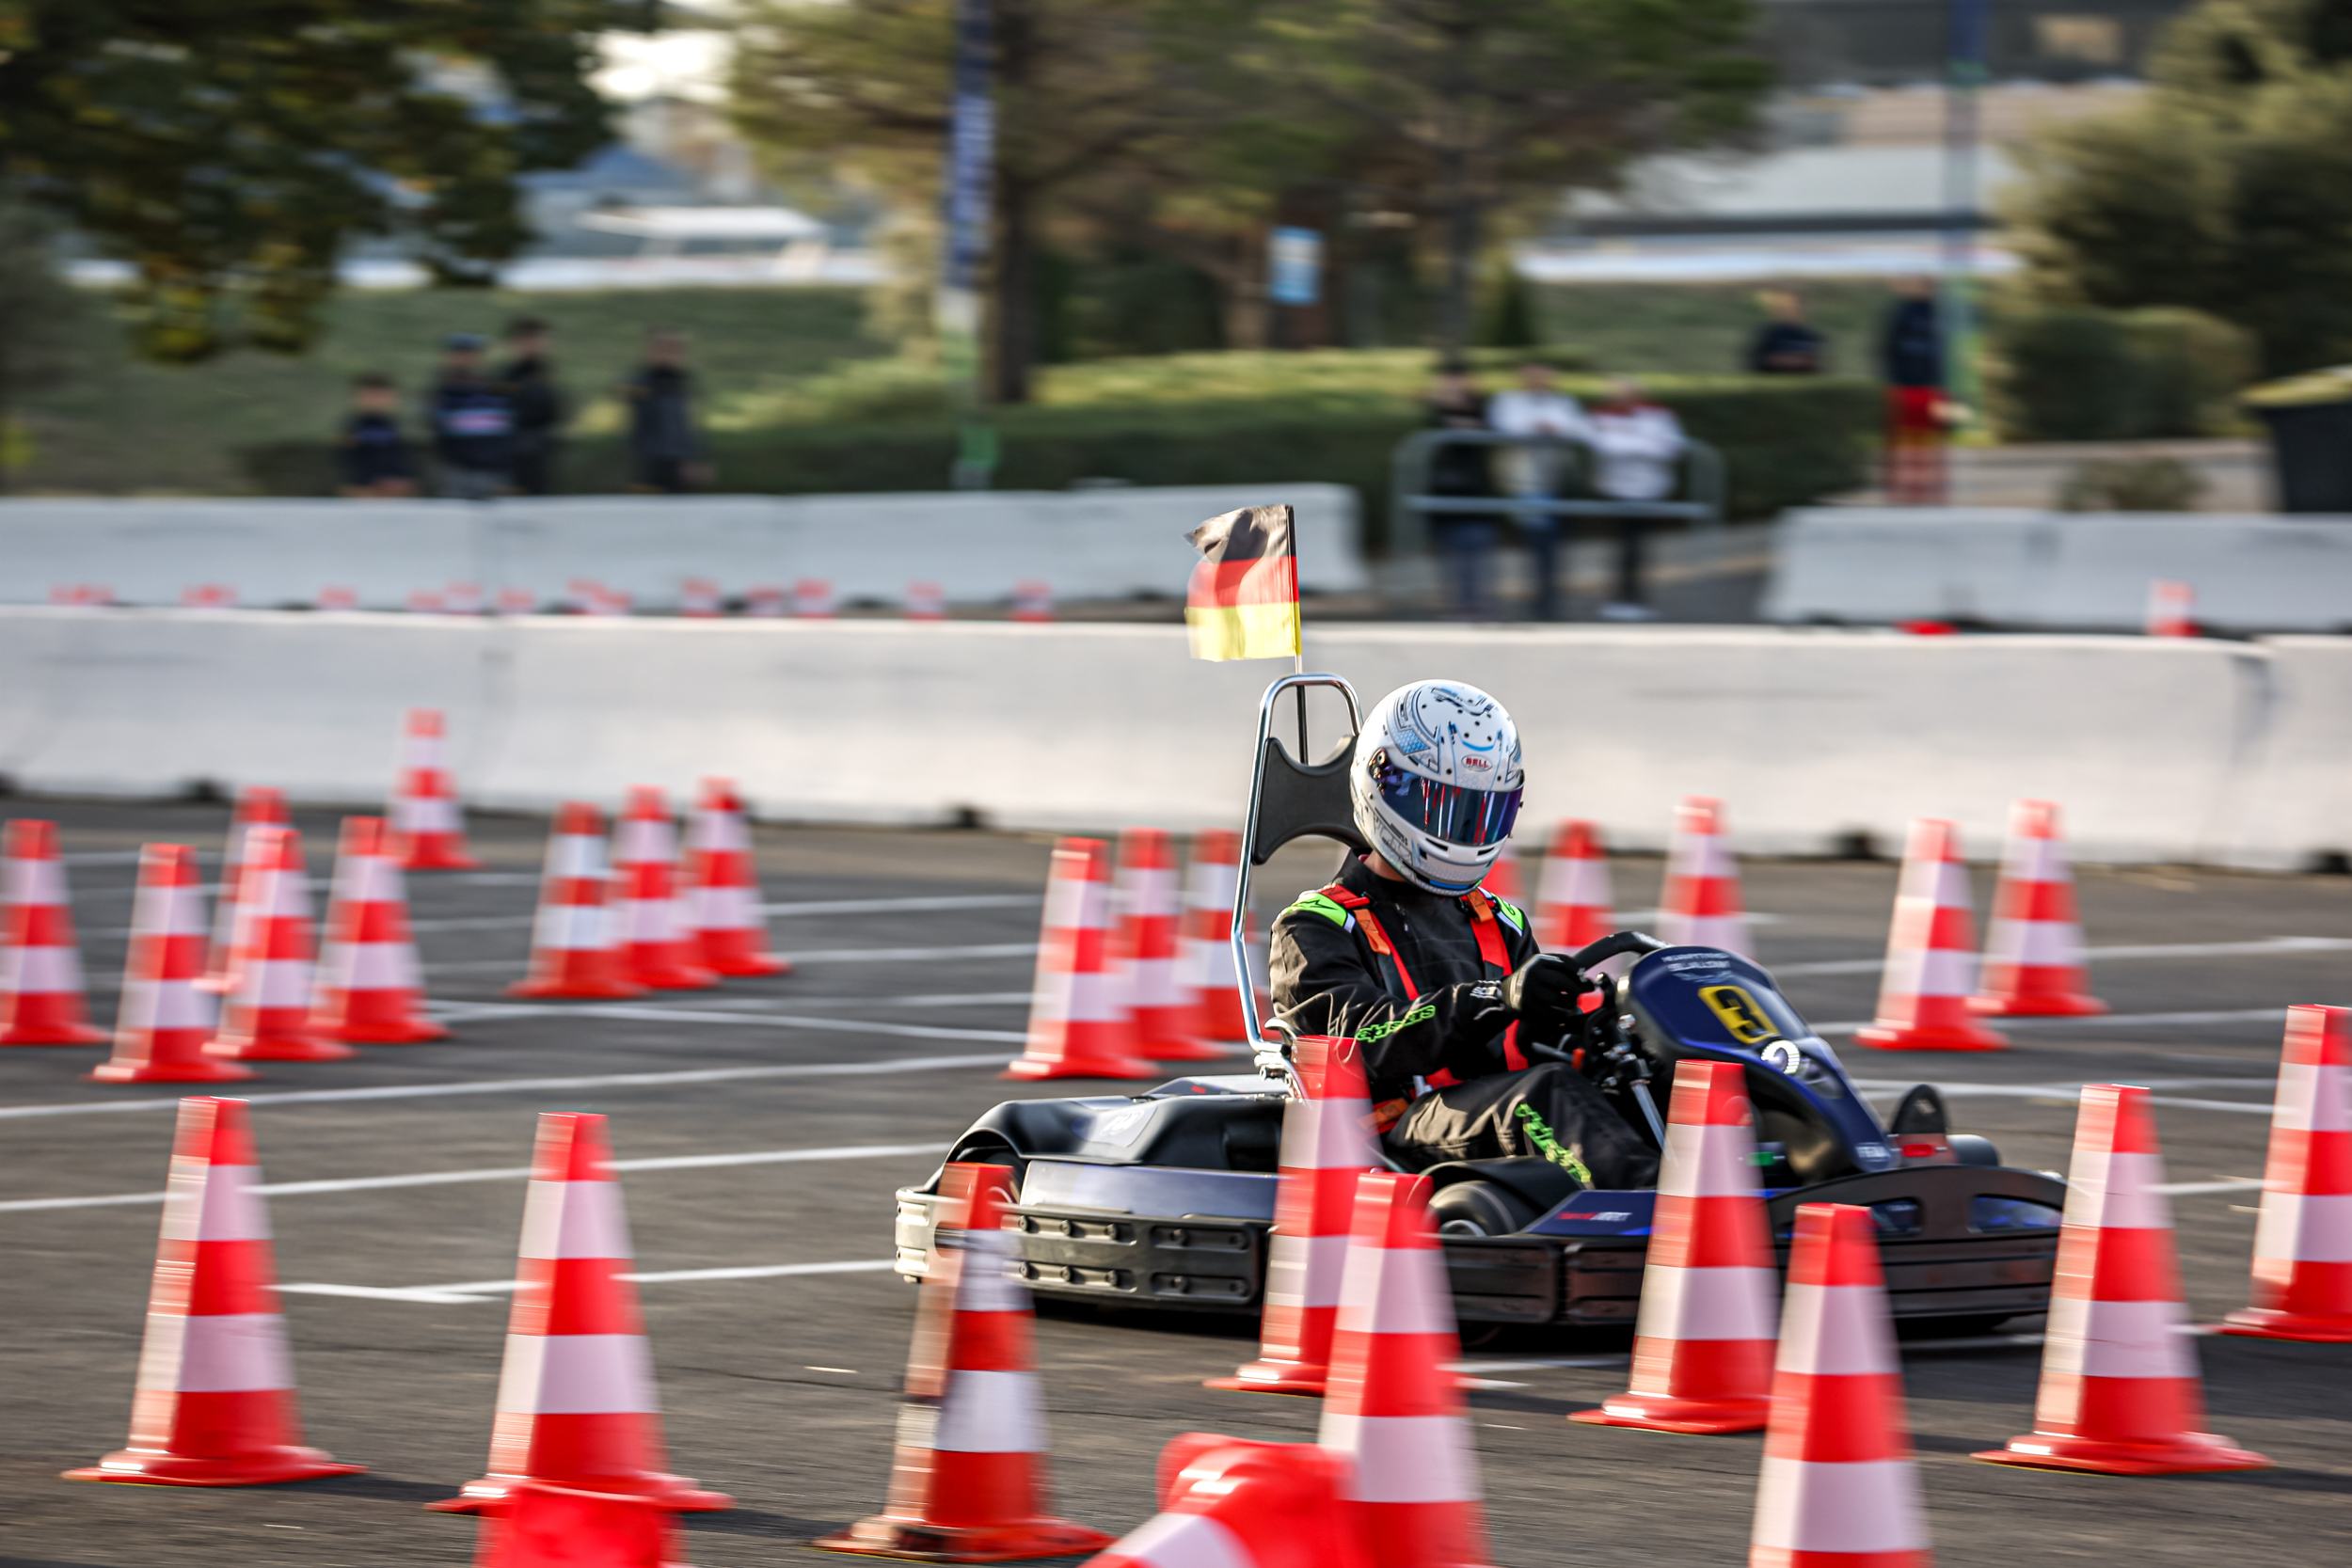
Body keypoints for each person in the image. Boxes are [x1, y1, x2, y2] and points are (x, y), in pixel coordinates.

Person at [1268, 679, 1659, 1188]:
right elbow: (1363, 1039)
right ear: (1387, 788)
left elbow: (1533, 1044)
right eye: (1444, 809)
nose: (1462, 832)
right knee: (1543, 1096)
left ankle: (1754, 1181)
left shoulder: (1500, 920)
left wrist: (1594, 1023)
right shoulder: (1314, 926)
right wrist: (1495, 998)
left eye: (1479, 813)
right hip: (1392, 1133)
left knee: (1648, 1074)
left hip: (1491, 1109)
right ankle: (1668, 1224)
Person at [1485, 359, 1589, 621]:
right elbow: (1504, 424)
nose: (1538, 380)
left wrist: (1552, 427)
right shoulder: (1508, 400)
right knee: (1534, 538)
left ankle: (1548, 600)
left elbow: (1578, 427)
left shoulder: (1564, 402)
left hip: (1556, 479)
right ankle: (1537, 599)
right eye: (1533, 375)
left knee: (1553, 543)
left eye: (1544, 375)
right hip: (1525, 481)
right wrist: (1537, 427)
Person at [1583, 378, 1688, 621]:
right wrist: (1642, 445)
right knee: (1622, 546)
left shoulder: (1659, 415)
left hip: (1650, 489)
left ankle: (1637, 599)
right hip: (1615, 489)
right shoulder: (1600, 414)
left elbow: (1672, 447)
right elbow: (1605, 446)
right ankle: (1618, 598)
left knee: (1640, 547)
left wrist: (1629, 443)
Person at [1423, 364, 1496, 619]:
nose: (1454, 386)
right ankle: (1454, 604)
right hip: (1442, 491)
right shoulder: (1432, 409)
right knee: (1448, 553)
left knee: (1475, 549)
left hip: (1475, 491)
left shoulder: (1483, 406)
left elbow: (1484, 431)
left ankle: (1475, 603)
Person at [423, 332, 515, 500]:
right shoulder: (438, 395)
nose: (464, 359)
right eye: (459, 353)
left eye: (469, 353)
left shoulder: (496, 393)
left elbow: (506, 433)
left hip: (493, 474)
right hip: (456, 474)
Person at [1881, 276, 1947, 504]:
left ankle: (1929, 491)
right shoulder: (1900, 313)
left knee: (1930, 443)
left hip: (1932, 389)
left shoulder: (1941, 314)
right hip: (1904, 387)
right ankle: (1902, 491)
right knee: (1903, 444)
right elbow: (1887, 349)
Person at [625, 329, 704, 494]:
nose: (667, 355)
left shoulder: (683, 383)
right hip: (649, 460)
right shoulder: (640, 382)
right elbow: (639, 421)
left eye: (673, 350)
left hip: (680, 460)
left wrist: (696, 458)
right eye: (662, 349)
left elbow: (688, 424)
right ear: (651, 352)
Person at [496, 316, 565, 496]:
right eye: (525, 340)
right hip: (510, 457)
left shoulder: (548, 376)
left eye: (535, 340)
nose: (531, 345)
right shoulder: (505, 376)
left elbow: (555, 414)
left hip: (541, 458)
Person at [334, 374, 416, 498]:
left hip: (395, 490)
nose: (376, 400)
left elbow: (402, 459)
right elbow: (344, 459)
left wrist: (402, 480)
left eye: (381, 395)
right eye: (371, 395)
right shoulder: (351, 426)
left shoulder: (396, 426)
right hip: (362, 489)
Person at [1746, 290, 1826, 374]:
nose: (1789, 312)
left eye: (1794, 307)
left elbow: (1817, 362)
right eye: (1783, 308)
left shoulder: (1809, 336)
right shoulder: (1768, 335)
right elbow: (1759, 361)